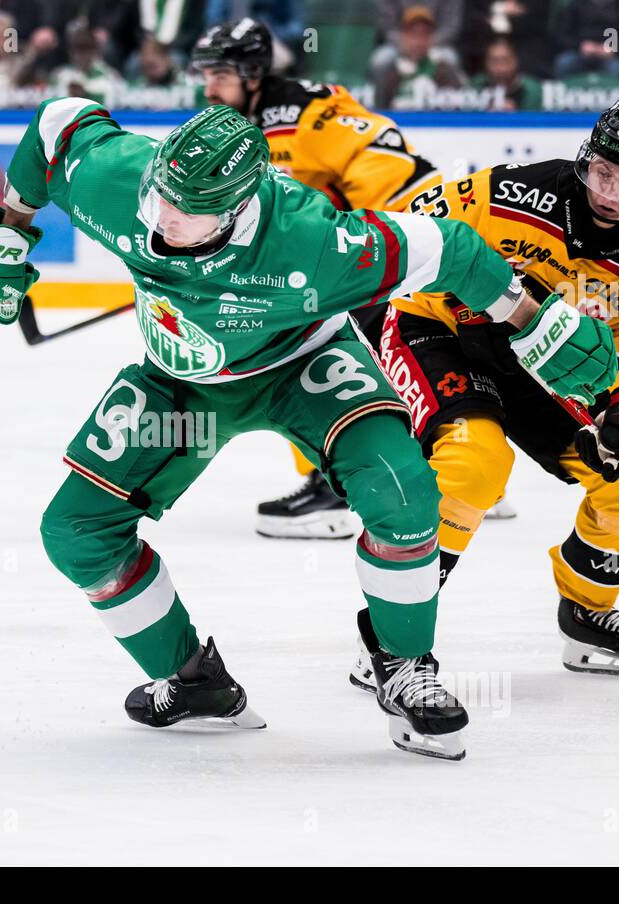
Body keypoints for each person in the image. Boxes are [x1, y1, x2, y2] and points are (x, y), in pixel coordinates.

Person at [0, 97, 618, 759]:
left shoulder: (314, 241)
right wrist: (9, 226)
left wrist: (532, 318)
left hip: (305, 367)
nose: (161, 220)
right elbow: (58, 124)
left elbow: (450, 248)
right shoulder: (121, 183)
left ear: (239, 208)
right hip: (182, 383)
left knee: (405, 495)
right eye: (161, 196)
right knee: (76, 532)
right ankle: (195, 684)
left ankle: (406, 666)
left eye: (187, 210)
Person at [345, 93, 619, 692]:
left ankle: (586, 611)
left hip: (539, 365)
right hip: (437, 328)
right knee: (474, 463)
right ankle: (389, 636)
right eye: (604, 172)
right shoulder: (504, 192)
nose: (611, 193)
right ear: (586, 158)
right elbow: (411, 235)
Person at [192, 18, 445, 539]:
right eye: (205, 74)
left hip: (392, 250)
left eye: (218, 73)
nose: (208, 87)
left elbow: (393, 162)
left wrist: (359, 240)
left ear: (252, 71)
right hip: (355, 262)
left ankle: (336, 488)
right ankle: (438, 467)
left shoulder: (306, 113)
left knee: (305, 348)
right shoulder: (238, 126)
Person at [370, 6, 467, 109]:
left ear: (431, 37)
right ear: (403, 36)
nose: (418, 41)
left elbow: (455, 109)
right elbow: (380, 112)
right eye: (413, 34)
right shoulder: (388, 72)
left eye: (424, 34)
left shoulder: (445, 70)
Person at [474, 33, 543, 109]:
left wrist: (514, 116)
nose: (500, 68)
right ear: (485, 63)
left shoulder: (533, 91)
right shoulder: (475, 87)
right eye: (494, 61)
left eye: (505, 61)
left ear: (516, 62)